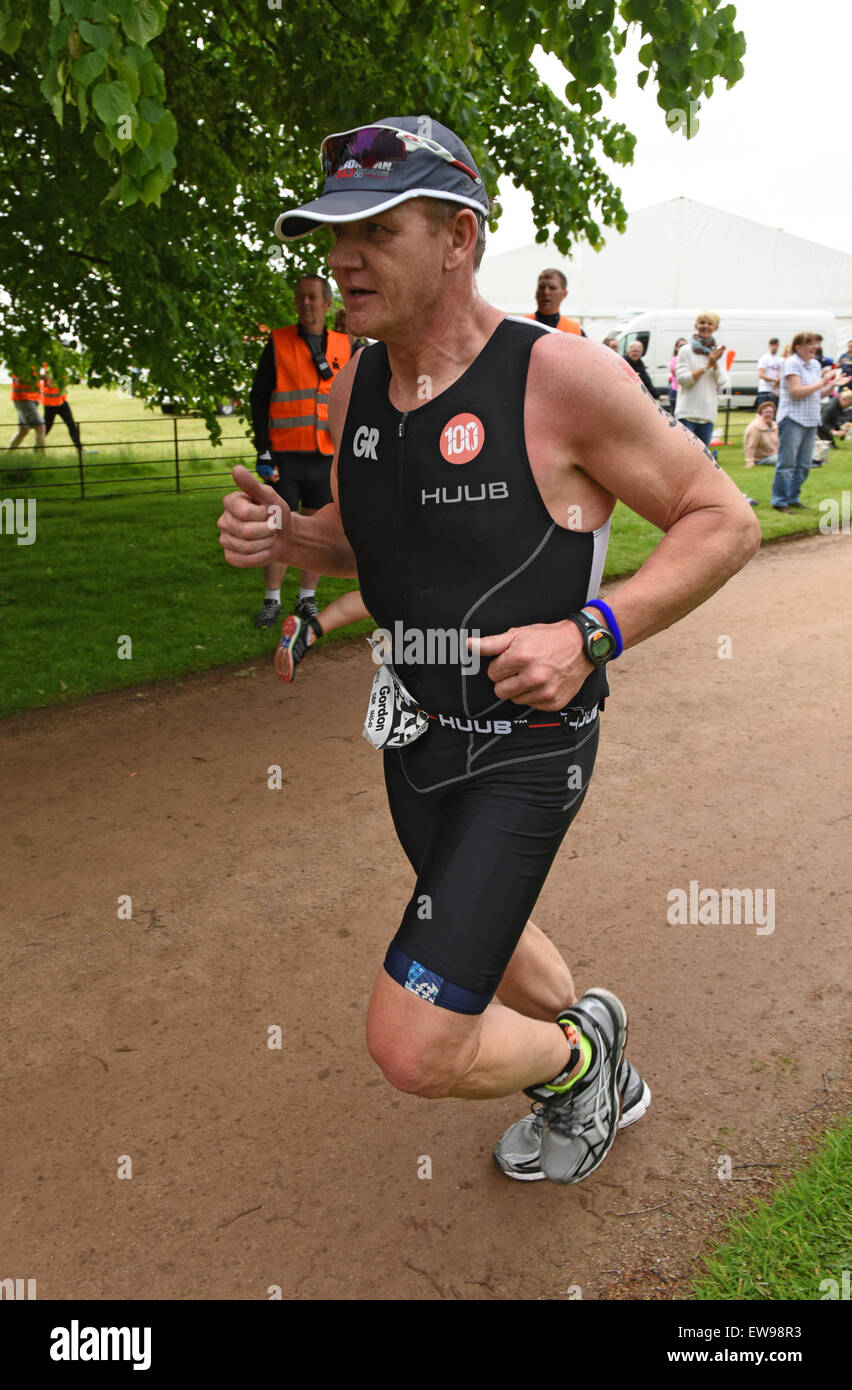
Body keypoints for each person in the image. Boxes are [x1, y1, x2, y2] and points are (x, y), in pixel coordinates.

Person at [218, 114, 760, 1187]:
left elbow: (724, 518)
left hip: (527, 741)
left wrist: (590, 633)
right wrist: (286, 535)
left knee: (411, 1041)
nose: (341, 257)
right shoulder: (355, 384)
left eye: (376, 227)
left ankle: (580, 1066)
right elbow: (366, 548)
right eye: (333, 231)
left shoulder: (564, 378)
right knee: (493, 936)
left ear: (459, 237)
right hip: (412, 739)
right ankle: (587, 1027)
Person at [248, 275, 351, 627]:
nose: (305, 304)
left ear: (326, 304)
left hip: (326, 457)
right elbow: (258, 398)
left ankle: (307, 600)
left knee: (315, 529)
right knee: (279, 526)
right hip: (285, 456)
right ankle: (272, 600)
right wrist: (263, 449)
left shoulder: (345, 345)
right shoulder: (278, 342)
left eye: (312, 298)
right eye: (300, 298)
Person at [772, 331, 849, 512]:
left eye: (815, 344)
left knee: (805, 464)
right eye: (810, 344)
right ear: (798, 347)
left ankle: (793, 497)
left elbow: (818, 393)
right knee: (787, 463)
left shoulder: (814, 365)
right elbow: (796, 391)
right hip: (792, 419)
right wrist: (823, 381)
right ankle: (779, 501)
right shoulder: (792, 363)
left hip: (810, 419)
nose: (815, 347)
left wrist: (832, 384)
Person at [674, 311, 729, 448]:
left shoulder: (719, 353)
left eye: (710, 323)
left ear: (715, 328)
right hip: (686, 415)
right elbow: (683, 379)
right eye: (702, 323)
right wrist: (707, 365)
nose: (706, 326)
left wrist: (714, 364)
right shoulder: (685, 351)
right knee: (684, 457)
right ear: (696, 326)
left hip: (707, 416)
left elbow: (723, 383)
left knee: (703, 462)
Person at [526, 269, 583, 335]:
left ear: (564, 294)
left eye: (552, 288)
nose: (546, 292)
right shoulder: (521, 325)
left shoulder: (576, 330)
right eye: (541, 287)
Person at [39, 364, 82, 448]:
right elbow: (49, 383)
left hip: (61, 401)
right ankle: (36, 449)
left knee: (71, 425)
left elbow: (63, 379)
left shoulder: (61, 363)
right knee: (46, 428)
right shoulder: (47, 366)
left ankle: (80, 450)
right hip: (50, 404)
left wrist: (74, 380)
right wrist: (70, 381)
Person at [8, 367, 46, 451]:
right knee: (40, 427)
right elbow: (20, 380)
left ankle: (7, 455)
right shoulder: (22, 359)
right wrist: (40, 377)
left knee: (23, 431)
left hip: (31, 399)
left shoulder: (35, 359)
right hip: (24, 399)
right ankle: (42, 460)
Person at [743, 398, 779, 467]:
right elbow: (751, 445)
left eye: (770, 412)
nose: (768, 414)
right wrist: (750, 461)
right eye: (766, 412)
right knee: (781, 459)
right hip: (761, 458)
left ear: (774, 414)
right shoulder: (755, 427)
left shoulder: (775, 426)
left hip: (775, 454)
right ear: (760, 413)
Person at [756, 337, 782, 409]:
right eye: (773, 345)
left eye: (776, 345)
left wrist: (778, 380)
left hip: (775, 391)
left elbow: (780, 372)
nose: (775, 347)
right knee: (763, 412)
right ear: (769, 346)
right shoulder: (764, 358)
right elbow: (761, 375)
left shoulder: (778, 359)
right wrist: (774, 380)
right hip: (765, 390)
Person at [668, 338, 687, 412]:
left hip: (686, 392)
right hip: (676, 391)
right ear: (676, 348)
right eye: (681, 346)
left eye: (685, 346)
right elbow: (678, 373)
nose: (683, 348)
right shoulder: (674, 359)